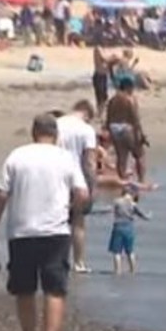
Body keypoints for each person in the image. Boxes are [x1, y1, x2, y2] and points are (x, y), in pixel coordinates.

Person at [0, 114, 89, 331]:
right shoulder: (65, 158)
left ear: (33, 132)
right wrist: (71, 210)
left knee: (24, 290)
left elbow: (0, 196)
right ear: (56, 135)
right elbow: (82, 194)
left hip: (22, 231)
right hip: (56, 232)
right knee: (55, 290)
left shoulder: (17, 156)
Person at [57, 99, 99, 274]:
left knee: (56, 221)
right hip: (76, 179)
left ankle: (58, 260)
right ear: (87, 114)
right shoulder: (86, 130)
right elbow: (89, 162)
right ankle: (78, 262)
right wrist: (93, 186)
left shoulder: (56, 124)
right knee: (78, 222)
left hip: (55, 177)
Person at [105, 78, 148, 183]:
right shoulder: (130, 99)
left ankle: (123, 181)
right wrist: (141, 134)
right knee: (140, 155)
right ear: (129, 87)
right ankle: (142, 181)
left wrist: (109, 131)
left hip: (114, 128)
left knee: (121, 157)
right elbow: (135, 118)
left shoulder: (112, 100)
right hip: (127, 128)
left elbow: (108, 118)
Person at [109, 182, 150, 275]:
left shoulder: (117, 201)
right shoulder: (132, 204)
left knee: (117, 252)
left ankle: (117, 271)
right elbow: (141, 214)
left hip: (118, 226)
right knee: (130, 251)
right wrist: (148, 217)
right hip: (129, 227)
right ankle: (133, 270)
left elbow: (110, 210)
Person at [92, 45, 113, 116]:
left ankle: (101, 114)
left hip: (104, 76)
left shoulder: (105, 49)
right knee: (100, 96)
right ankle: (99, 114)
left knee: (104, 96)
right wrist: (113, 58)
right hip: (99, 75)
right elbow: (105, 59)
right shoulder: (98, 48)